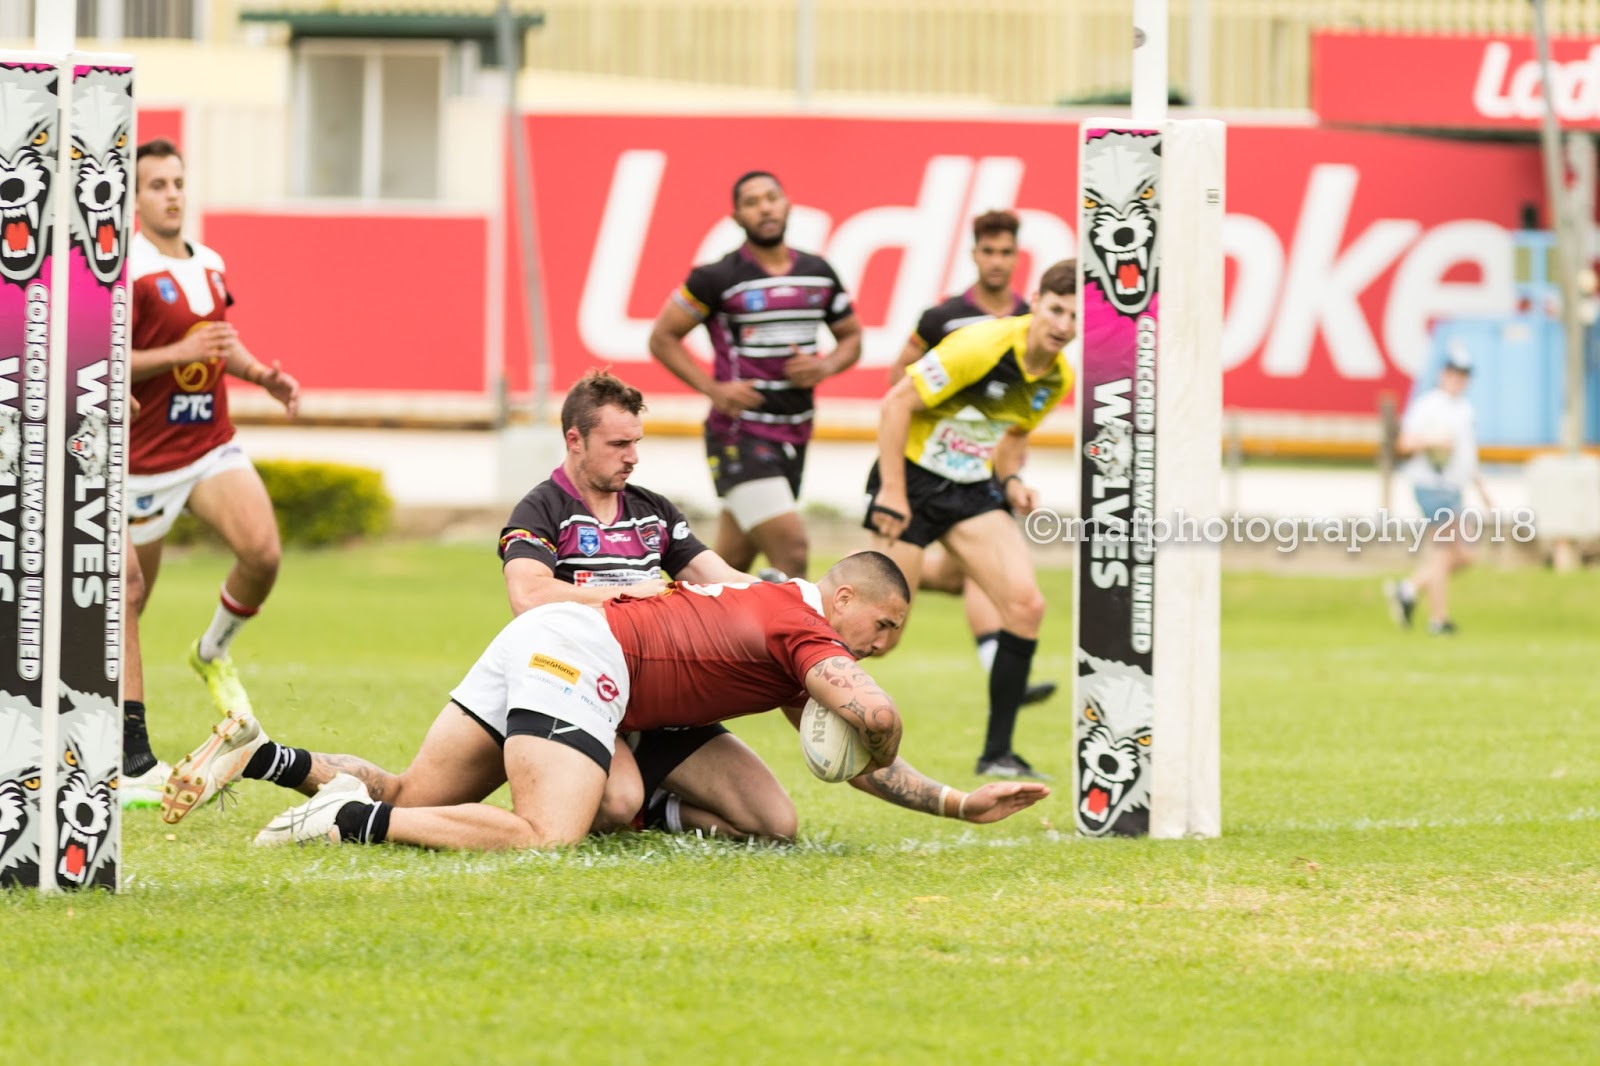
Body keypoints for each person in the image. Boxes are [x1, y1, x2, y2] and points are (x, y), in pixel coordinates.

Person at [159, 554, 1049, 849]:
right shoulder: (804, 623)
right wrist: (886, 733)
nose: (883, 645)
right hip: (583, 660)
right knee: (548, 836)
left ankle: (262, 757)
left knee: (416, 798)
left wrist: (958, 804)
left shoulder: (788, 628)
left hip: (593, 671)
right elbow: (877, 721)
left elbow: (853, 763)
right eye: (884, 627)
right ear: (845, 597)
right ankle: (340, 825)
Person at [496, 368, 798, 840]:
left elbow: (721, 579)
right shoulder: (541, 509)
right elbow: (529, 595)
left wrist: (799, 599)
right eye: (618, 445)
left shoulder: (653, 511)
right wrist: (630, 594)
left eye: (636, 442)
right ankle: (632, 798)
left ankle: (654, 807)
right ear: (575, 440)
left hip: (660, 694)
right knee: (616, 803)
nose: (632, 457)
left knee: (774, 826)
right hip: (582, 693)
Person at [865, 258, 1077, 781]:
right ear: (1036, 301)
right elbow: (895, 405)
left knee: (1026, 605)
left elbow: (1012, 438)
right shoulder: (981, 346)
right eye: (1055, 310)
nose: (1063, 326)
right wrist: (892, 491)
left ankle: (998, 753)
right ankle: (793, 606)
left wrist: (1011, 483)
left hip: (969, 488)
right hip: (911, 482)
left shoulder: (1058, 377)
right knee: (880, 636)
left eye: (1075, 318)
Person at [127, 138, 300, 723]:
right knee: (129, 604)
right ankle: (113, 729)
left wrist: (260, 376)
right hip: (144, 463)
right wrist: (179, 350)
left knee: (263, 553)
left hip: (209, 444)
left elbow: (219, 342)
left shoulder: (210, 262)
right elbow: (102, 360)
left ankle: (212, 651)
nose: (172, 196)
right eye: (157, 186)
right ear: (134, 197)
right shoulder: (129, 269)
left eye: (177, 183)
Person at [648, 170, 863, 580]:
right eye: (752, 202)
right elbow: (662, 338)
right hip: (739, 434)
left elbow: (851, 337)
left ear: (787, 205)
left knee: (722, 572)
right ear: (737, 218)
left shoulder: (820, 273)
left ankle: (677, 634)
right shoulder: (716, 278)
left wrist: (825, 366)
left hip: (796, 431)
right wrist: (713, 389)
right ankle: (802, 645)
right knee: (793, 551)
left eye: (771, 197)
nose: (764, 207)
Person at [887, 210, 1056, 709]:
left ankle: (1000, 673)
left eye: (1007, 252)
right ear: (975, 254)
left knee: (988, 575)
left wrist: (1013, 473)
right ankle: (805, 598)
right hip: (927, 468)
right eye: (989, 251)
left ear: (1016, 256)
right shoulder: (944, 318)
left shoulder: (1035, 319)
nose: (998, 261)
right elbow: (900, 377)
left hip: (982, 473)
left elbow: (1021, 416)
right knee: (894, 599)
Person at [1384, 345, 1489, 636]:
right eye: (1455, 373)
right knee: (1442, 553)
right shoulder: (1428, 405)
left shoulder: (1465, 410)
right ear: (1444, 374)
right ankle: (1439, 619)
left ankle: (1408, 589)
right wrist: (1432, 441)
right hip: (1431, 487)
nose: (1459, 379)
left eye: (1464, 374)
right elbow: (1404, 443)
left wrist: (1483, 491)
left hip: (1454, 490)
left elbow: (1468, 458)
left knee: (1466, 555)